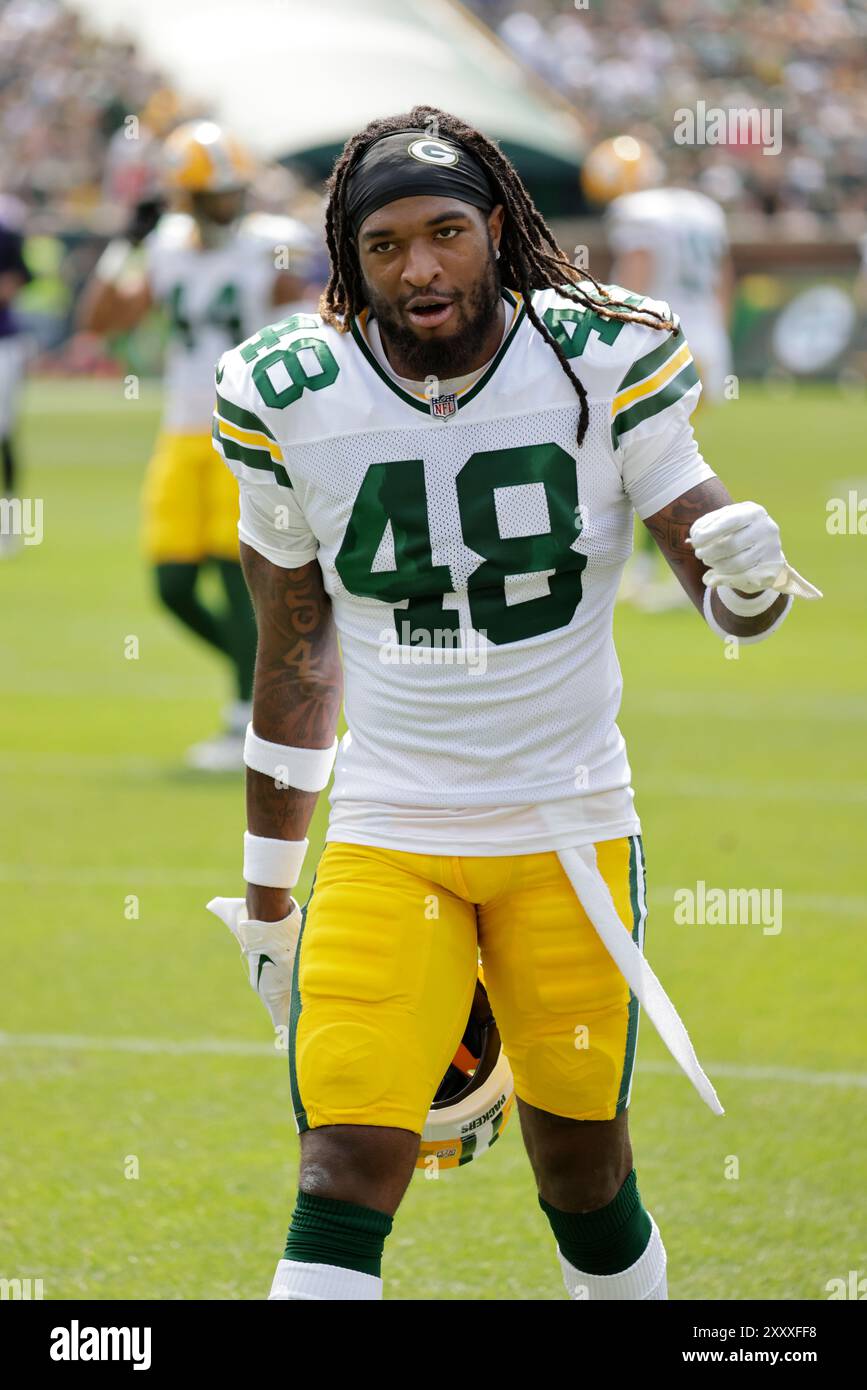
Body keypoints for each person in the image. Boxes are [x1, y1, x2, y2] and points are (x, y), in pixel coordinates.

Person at [208, 108, 820, 1301]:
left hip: (567, 828)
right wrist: (271, 896)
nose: (420, 268)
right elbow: (295, 658)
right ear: (351, 259)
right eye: (384, 246)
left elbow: (729, 602)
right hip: (392, 833)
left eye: (445, 233)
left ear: (497, 227)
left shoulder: (602, 355)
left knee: (582, 1171)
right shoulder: (286, 389)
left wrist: (752, 583)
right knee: (341, 1162)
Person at [78, 121, 314, 769]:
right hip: (180, 430)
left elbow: (308, 301)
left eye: (233, 191)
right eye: (214, 194)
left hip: (243, 432)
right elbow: (100, 321)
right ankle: (281, 680)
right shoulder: (163, 246)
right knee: (172, 583)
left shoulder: (271, 244)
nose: (229, 204)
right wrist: (122, 246)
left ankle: (247, 717)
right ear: (183, 198)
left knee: (233, 578)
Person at [583, 136, 735, 609]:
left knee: (644, 460)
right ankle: (661, 569)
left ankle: (658, 571)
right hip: (706, 341)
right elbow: (724, 278)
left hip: (662, 344)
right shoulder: (701, 207)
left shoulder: (638, 213)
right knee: (672, 456)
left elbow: (636, 280)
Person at [0, 194, 33, 555]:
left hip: (3, 342)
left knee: (3, 432)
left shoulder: (5, 232)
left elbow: (18, 277)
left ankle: (8, 525)